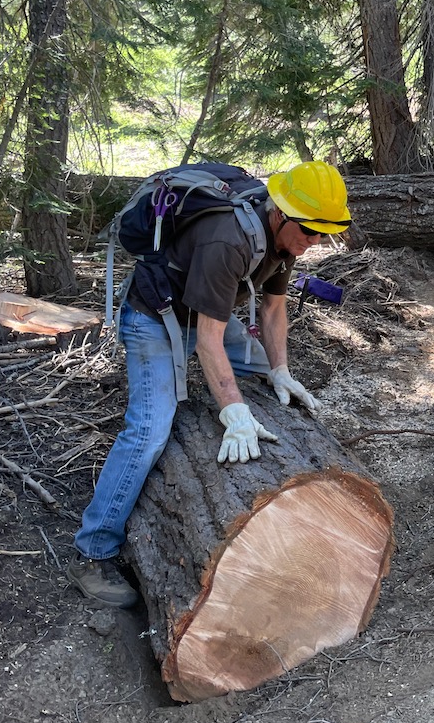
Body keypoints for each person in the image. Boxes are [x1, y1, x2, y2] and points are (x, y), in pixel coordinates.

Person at [67, 161, 352, 607]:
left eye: (324, 233)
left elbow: (274, 308)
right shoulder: (229, 239)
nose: (315, 242)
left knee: (261, 374)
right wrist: (233, 412)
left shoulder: (285, 236)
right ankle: (94, 550)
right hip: (155, 317)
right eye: (311, 231)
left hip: (200, 314)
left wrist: (279, 369)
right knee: (149, 430)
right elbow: (208, 341)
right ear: (280, 211)